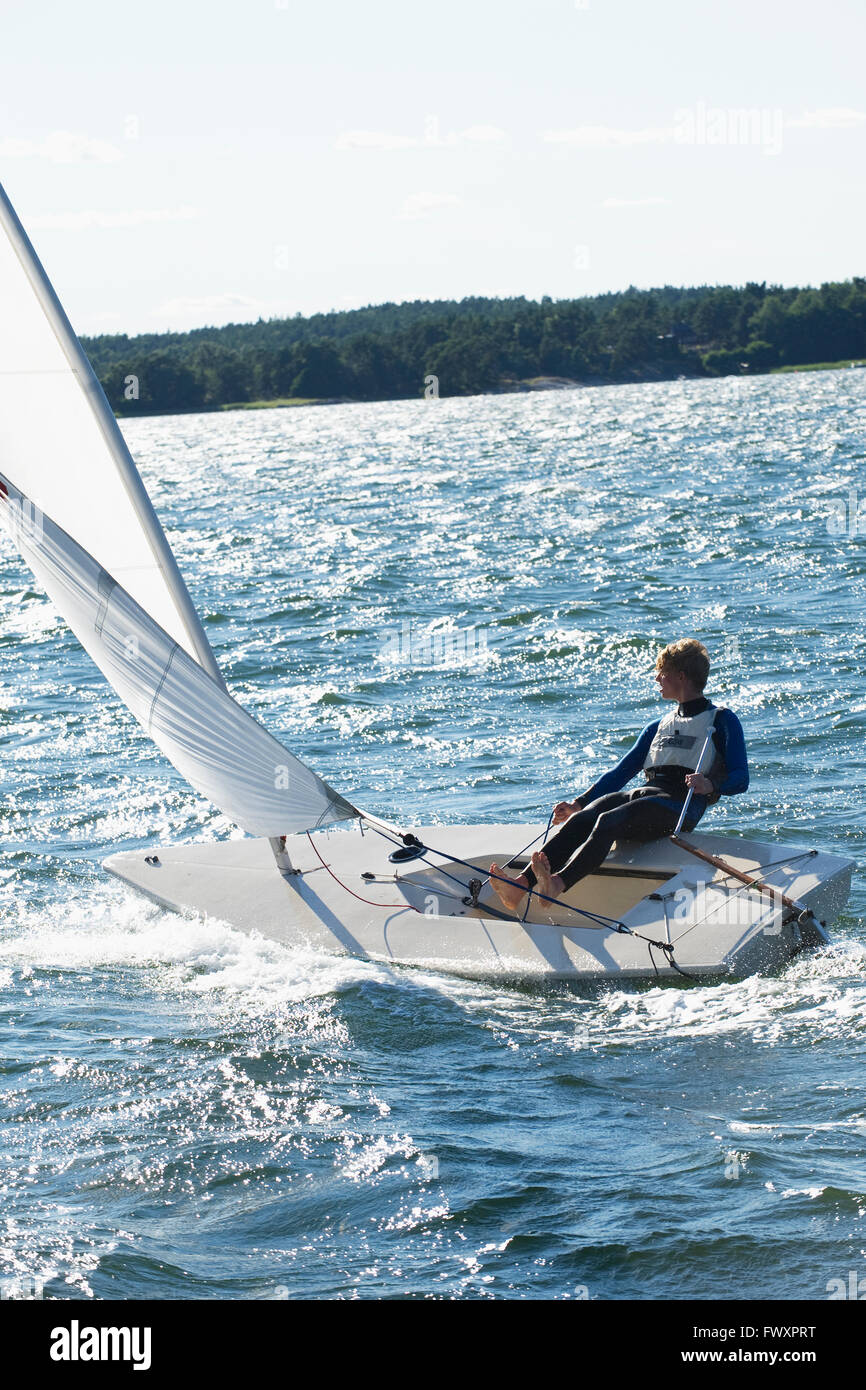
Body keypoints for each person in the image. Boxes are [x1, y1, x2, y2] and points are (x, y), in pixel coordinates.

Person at [489, 638, 749, 912]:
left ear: (681, 676)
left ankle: (557, 884)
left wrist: (709, 784)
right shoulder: (658, 726)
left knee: (607, 821)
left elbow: (741, 778)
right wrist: (578, 803)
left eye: (663, 672)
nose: (657, 678)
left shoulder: (721, 721)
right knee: (584, 818)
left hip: (680, 805)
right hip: (648, 794)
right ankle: (519, 886)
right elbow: (621, 772)